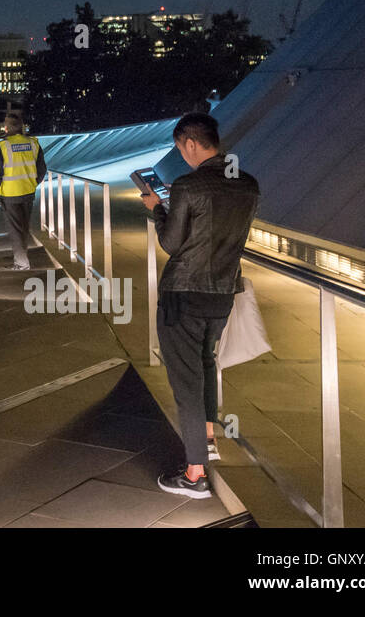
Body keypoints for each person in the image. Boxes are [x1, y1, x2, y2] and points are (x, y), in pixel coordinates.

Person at [139, 113, 260, 499]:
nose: (183, 155)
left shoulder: (189, 185)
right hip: (222, 293)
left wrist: (158, 207)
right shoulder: (248, 184)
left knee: (186, 381)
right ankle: (207, 438)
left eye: (180, 149)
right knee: (206, 363)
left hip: (183, 294)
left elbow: (173, 243)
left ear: (190, 143)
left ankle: (195, 475)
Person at [0, 112, 47, 271]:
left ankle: (21, 263)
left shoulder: (2, 146)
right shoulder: (33, 144)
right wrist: (32, 183)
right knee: (24, 227)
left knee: (15, 230)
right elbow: (42, 169)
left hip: (9, 195)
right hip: (28, 192)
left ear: (6, 128)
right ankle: (22, 259)